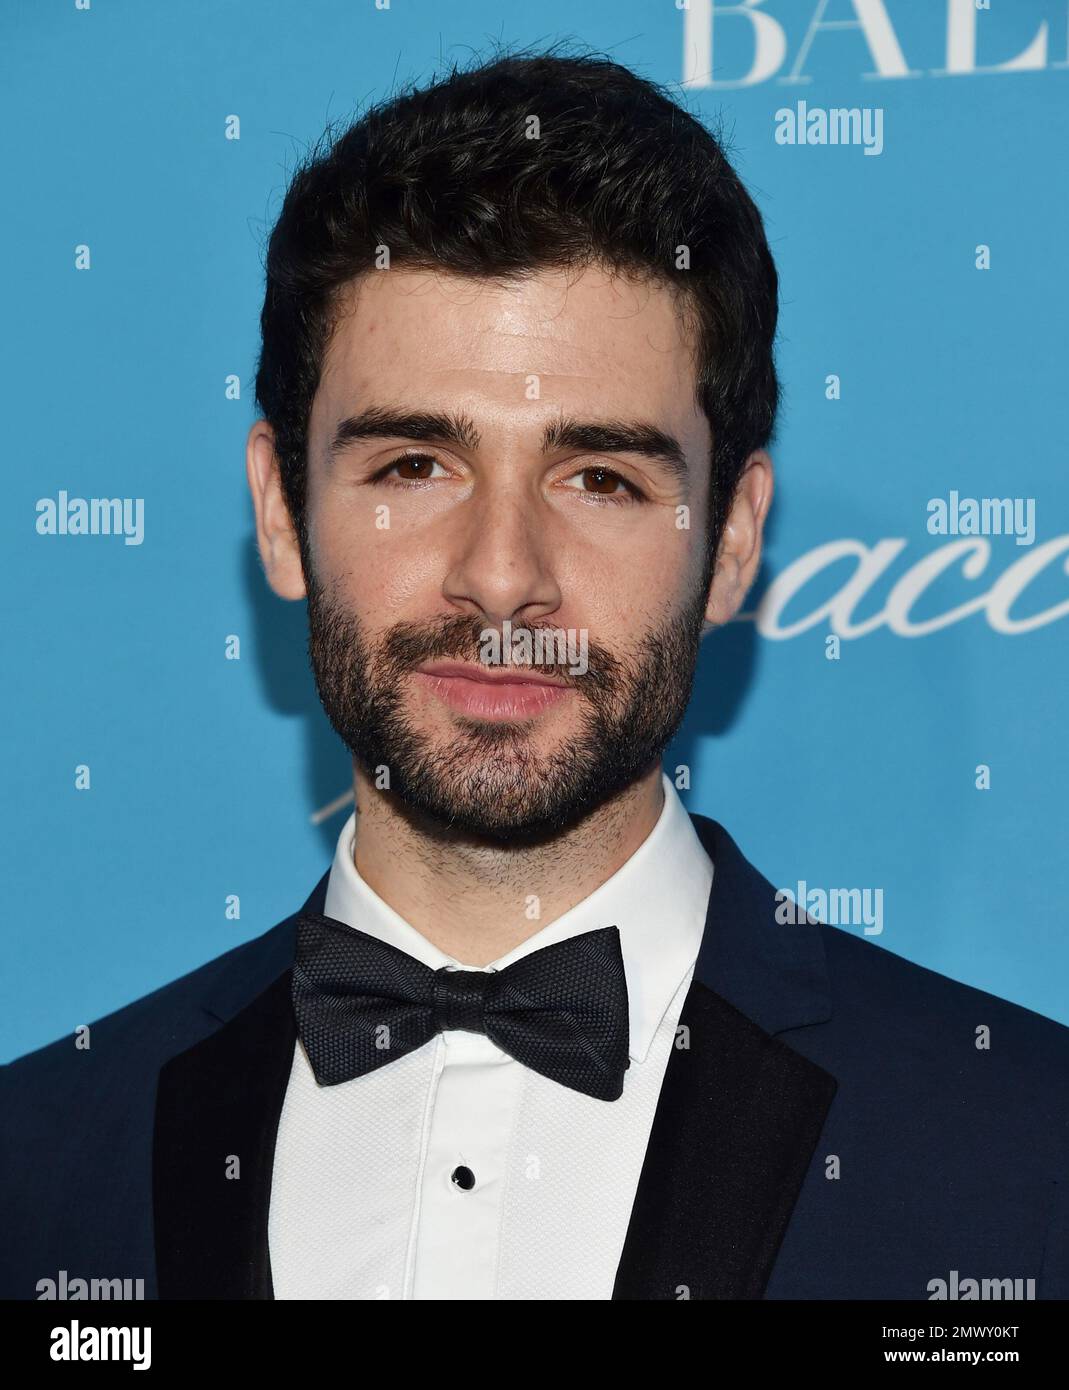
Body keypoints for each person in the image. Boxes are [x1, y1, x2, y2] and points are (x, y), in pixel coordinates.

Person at [3, 48, 1067, 1303]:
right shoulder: (41, 1161)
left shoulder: (1025, 1153)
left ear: (729, 543)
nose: (502, 578)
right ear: (282, 515)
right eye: (414, 465)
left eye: (601, 478)